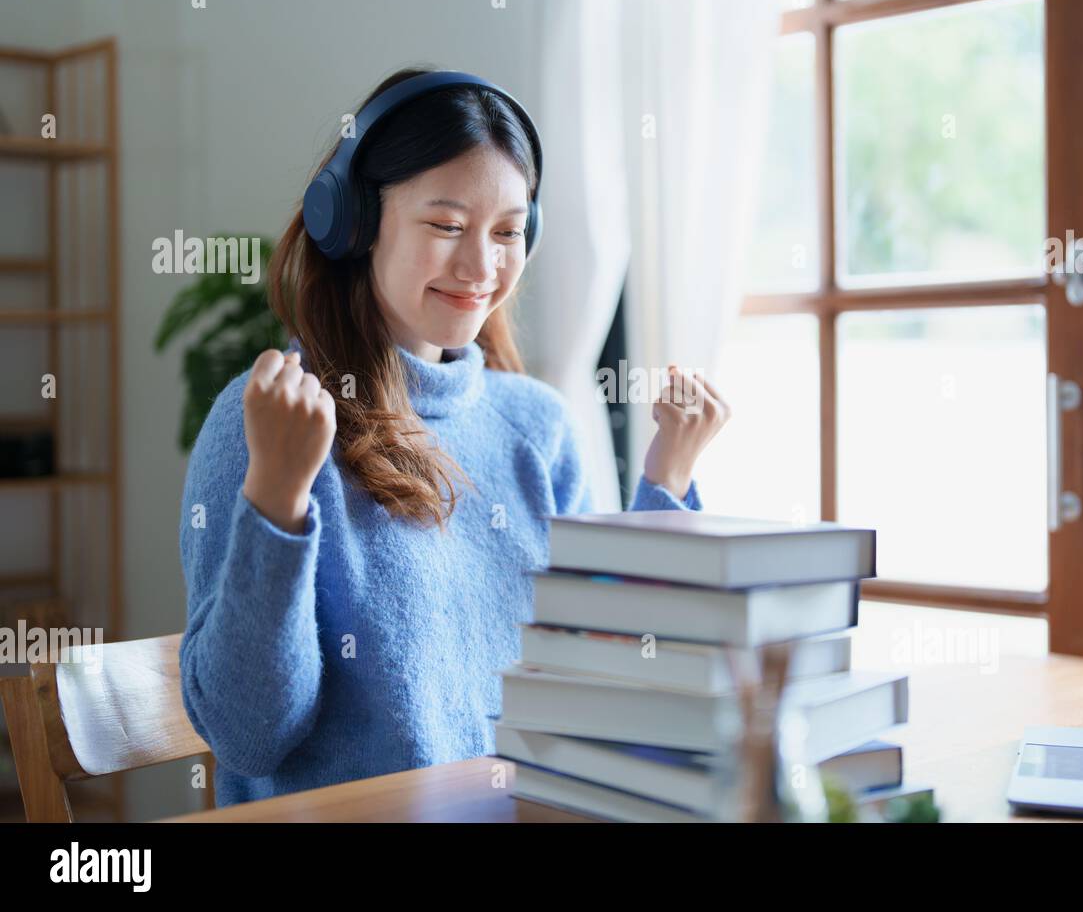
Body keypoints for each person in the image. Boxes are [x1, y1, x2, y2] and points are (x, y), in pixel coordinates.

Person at [178, 67, 730, 807]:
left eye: (507, 232)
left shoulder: (539, 427)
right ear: (353, 223)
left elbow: (610, 685)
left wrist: (665, 481)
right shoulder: (267, 423)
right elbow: (251, 737)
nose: (481, 267)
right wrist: (276, 497)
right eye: (445, 226)